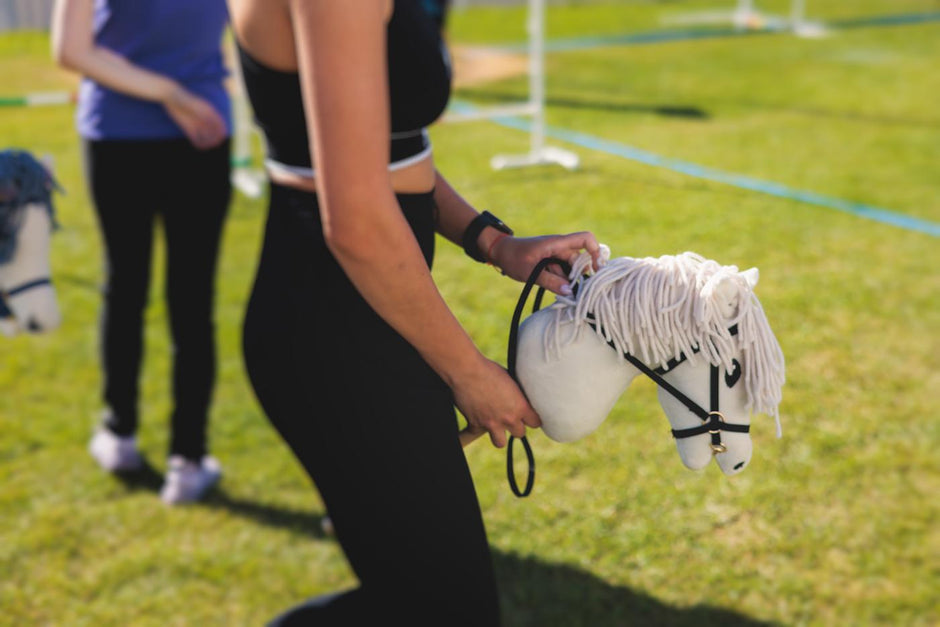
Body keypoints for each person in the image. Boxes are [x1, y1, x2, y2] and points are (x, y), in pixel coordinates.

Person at [228, 0, 601, 624]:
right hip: (331, 334)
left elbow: (393, 152)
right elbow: (357, 222)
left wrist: (493, 241)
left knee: (422, 602)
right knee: (446, 609)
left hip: (358, 323)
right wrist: (469, 374)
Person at [51, 0, 233, 504]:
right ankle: (188, 461)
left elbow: (71, 48)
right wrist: (174, 92)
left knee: (126, 287)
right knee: (190, 301)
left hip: (132, 134)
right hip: (195, 126)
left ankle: (122, 436)